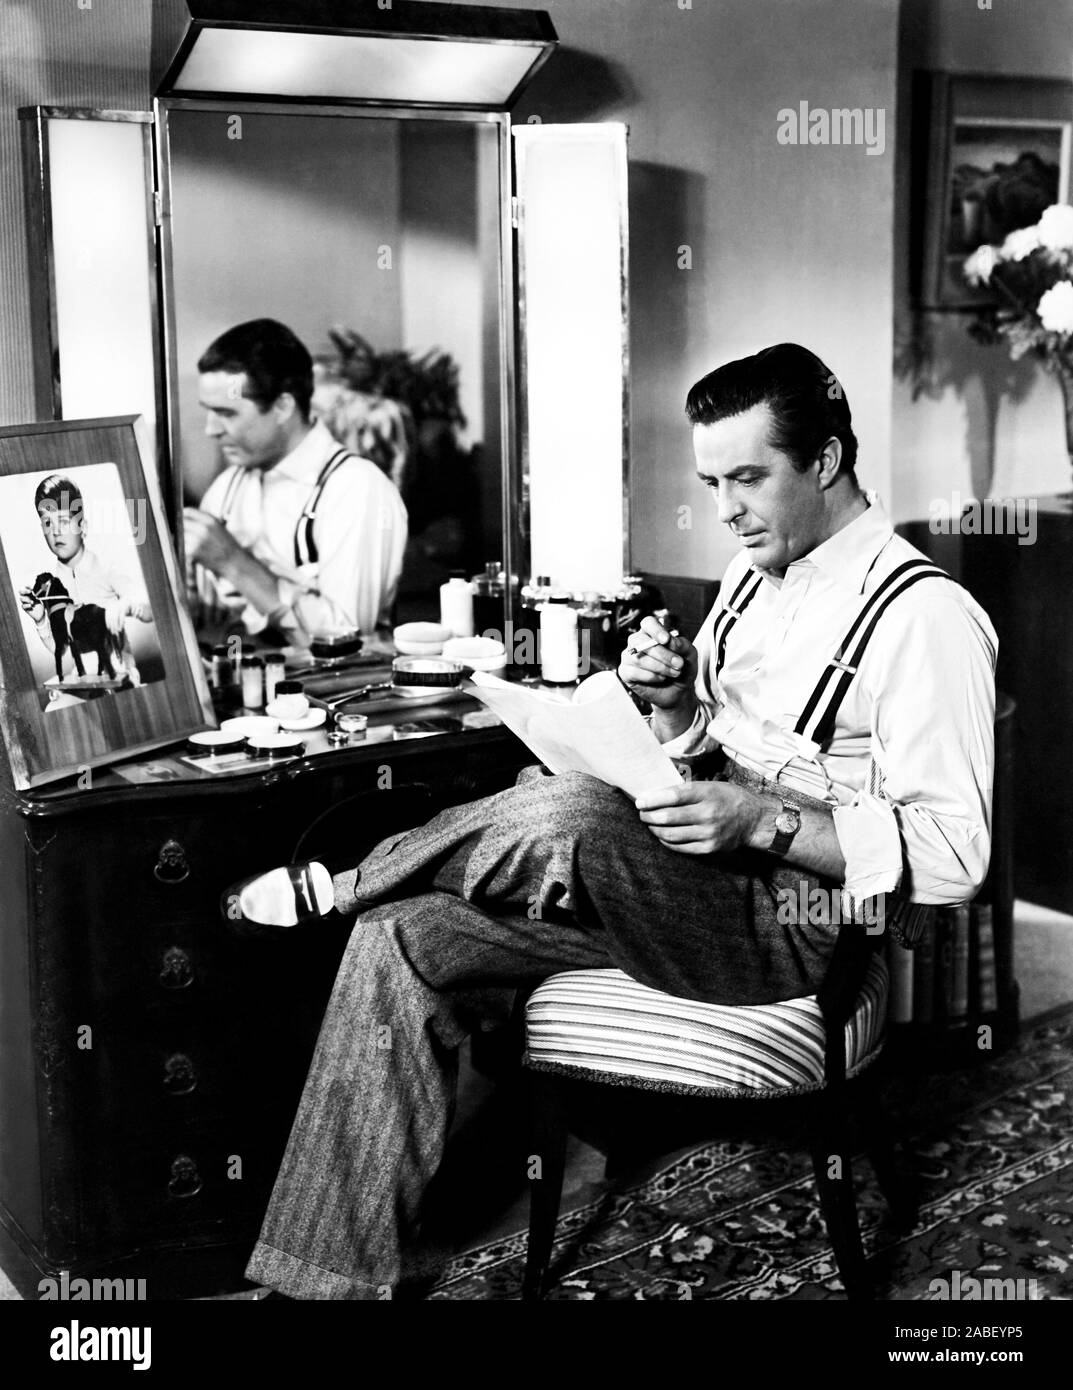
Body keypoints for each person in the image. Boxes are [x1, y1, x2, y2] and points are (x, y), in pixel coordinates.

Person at [227, 343, 997, 1299]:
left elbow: (955, 856)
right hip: (682, 902)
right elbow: (710, 755)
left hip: (796, 931)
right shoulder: (755, 575)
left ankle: (346, 879)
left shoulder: (926, 617)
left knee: (575, 815)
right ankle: (322, 1284)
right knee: (402, 939)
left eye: (749, 478)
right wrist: (675, 708)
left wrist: (763, 823)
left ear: (828, 461)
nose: (725, 508)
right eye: (712, 481)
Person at [184, 319, 408, 644]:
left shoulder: (356, 489)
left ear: (282, 406)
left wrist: (234, 563)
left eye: (227, 413)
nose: (211, 429)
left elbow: (349, 642)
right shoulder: (227, 488)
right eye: (209, 411)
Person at [19, 474, 152, 688]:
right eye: (47, 522)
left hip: (120, 680)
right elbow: (61, 649)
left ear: (83, 526)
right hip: (82, 684)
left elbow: (151, 611)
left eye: (63, 521)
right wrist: (41, 620)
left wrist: (126, 605)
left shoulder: (106, 568)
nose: (55, 531)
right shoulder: (52, 584)